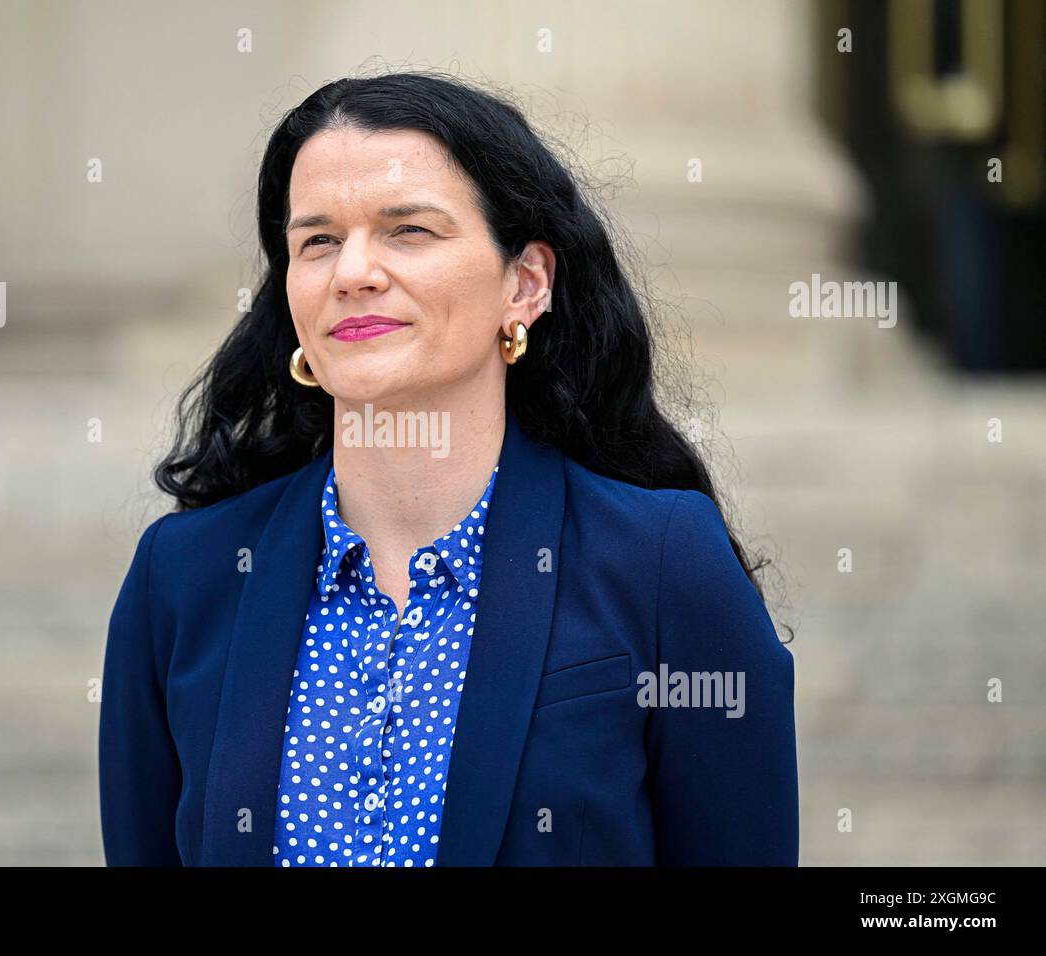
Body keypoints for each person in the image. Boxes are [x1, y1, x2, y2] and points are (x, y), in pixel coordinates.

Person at [98, 71, 798, 867]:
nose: (352, 271)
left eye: (409, 231)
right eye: (317, 240)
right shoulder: (183, 579)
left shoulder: (663, 564)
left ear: (526, 284)